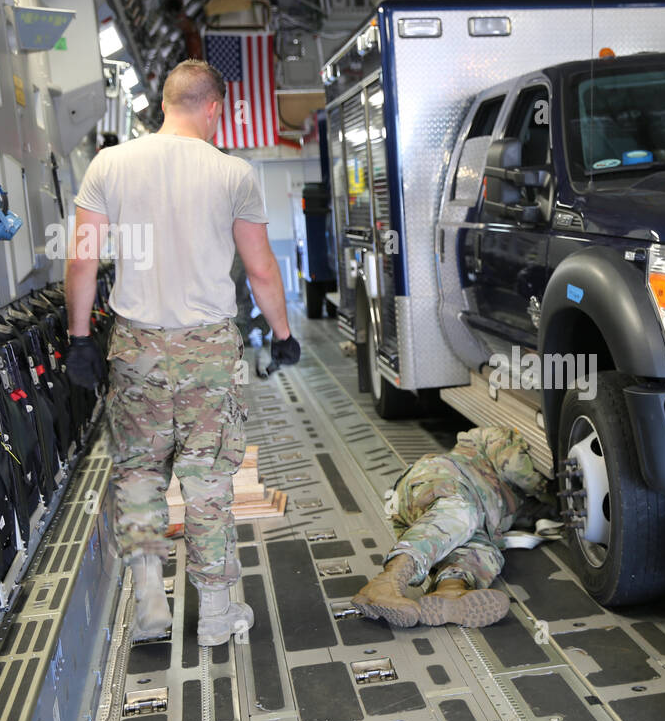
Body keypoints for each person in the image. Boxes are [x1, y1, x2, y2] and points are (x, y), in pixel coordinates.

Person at [64, 59, 302, 646]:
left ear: (164, 103)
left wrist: (77, 340)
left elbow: (82, 260)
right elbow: (261, 267)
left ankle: (150, 601)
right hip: (209, 350)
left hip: (136, 347)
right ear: (213, 107)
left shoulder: (109, 164)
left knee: (139, 472)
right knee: (207, 478)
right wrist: (283, 334)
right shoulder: (232, 173)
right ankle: (217, 615)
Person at [353, 426, 553, 628]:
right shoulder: (490, 438)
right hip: (440, 478)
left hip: (469, 518)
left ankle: (450, 589)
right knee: (460, 513)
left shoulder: (513, 499)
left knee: (484, 552)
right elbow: (517, 468)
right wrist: (550, 490)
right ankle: (388, 580)